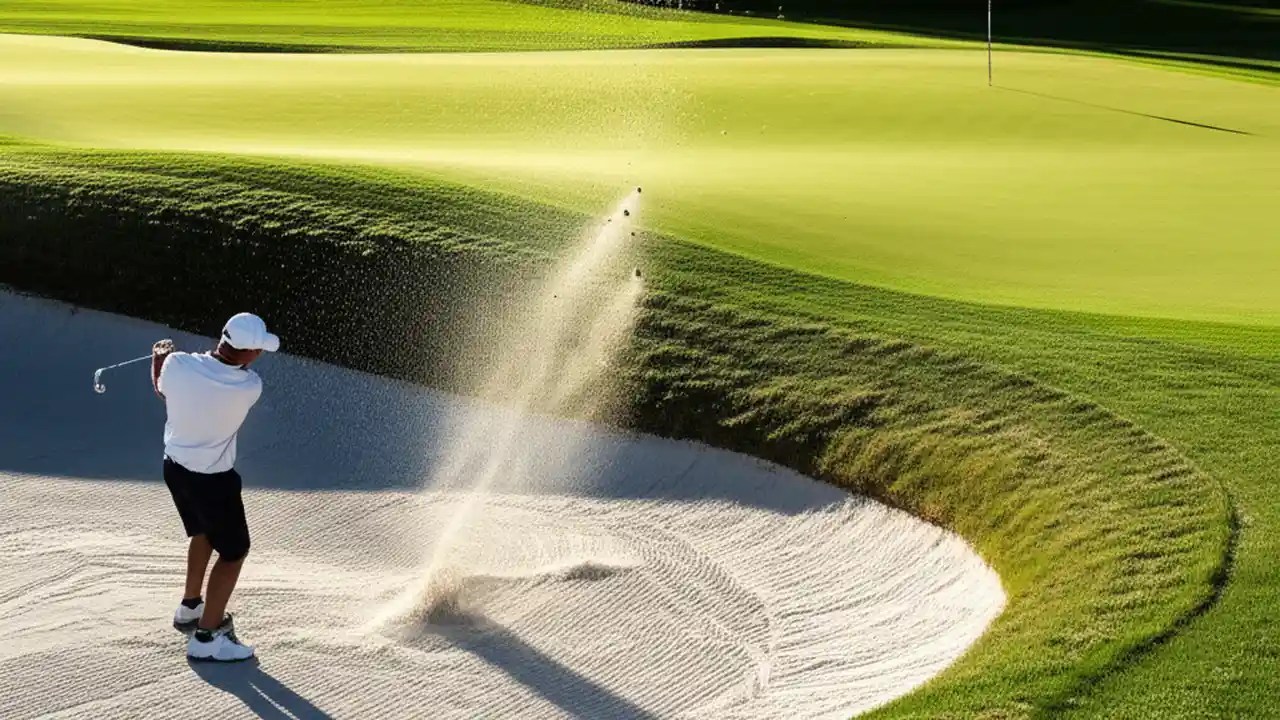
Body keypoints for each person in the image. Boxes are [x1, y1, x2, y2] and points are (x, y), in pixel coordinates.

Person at [152, 312, 280, 662]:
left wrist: (159, 358)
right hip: (213, 480)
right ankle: (208, 637)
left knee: (204, 532)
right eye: (259, 350)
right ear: (251, 353)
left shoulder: (176, 364)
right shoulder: (249, 386)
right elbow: (205, 386)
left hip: (174, 468)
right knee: (235, 551)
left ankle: (190, 607)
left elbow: (163, 390)